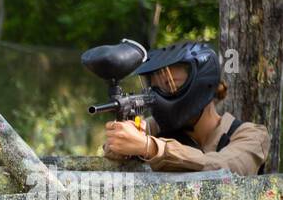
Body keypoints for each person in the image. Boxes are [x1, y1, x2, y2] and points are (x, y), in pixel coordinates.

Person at [103, 41, 269, 175]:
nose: (157, 97)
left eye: (169, 85)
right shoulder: (154, 127)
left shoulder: (251, 135)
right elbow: (113, 154)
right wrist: (121, 142)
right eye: (154, 88)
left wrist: (151, 147)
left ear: (202, 84)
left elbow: (224, 168)